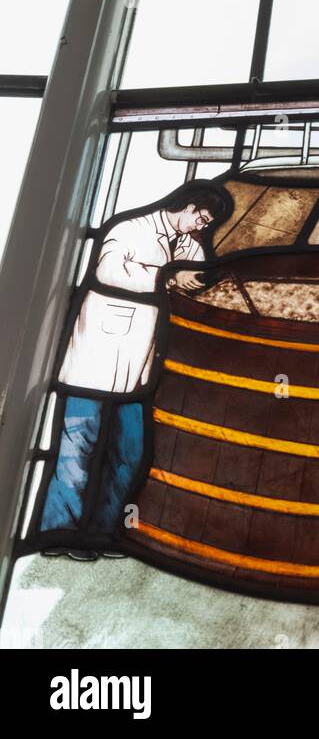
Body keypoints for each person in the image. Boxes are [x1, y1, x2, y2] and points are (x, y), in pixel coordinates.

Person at [37, 181, 233, 556]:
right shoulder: (129, 229)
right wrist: (166, 276)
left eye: (208, 223)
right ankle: (58, 533)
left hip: (138, 366)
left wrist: (195, 281)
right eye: (202, 218)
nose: (202, 226)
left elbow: (191, 278)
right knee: (77, 449)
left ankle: (102, 533)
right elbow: (109, 270)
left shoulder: (189, 244)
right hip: (96, 359)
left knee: (131, 451)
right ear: (188, 206)